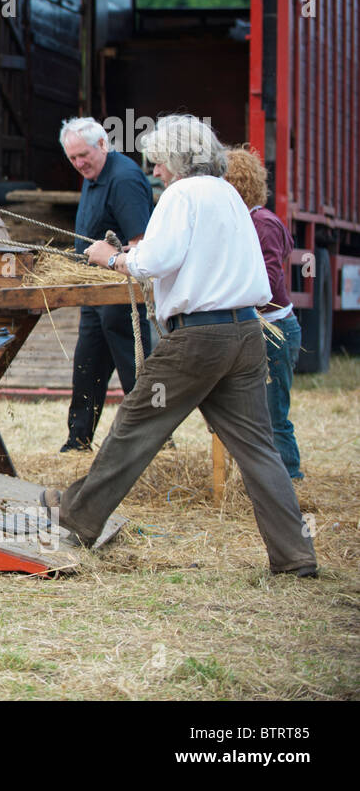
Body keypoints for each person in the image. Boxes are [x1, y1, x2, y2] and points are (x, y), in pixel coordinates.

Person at [42, 115, 317, 577]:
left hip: (198, 339)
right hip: (245, 336)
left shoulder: (182, 195)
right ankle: (296, 555)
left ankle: (75, 517)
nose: (156, 171)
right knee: (259, 450)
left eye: (159, 162)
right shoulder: (230, 195)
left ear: (177, 159)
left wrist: (112, 257)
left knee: (134, 425)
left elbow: (155, 260)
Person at [60, 117, 154, 452]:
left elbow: (141, 243)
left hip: (121, 293)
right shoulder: (93, 175)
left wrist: (112, 259)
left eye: (83, 155)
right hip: (95, 291)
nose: (79, 163)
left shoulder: (124, 179)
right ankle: (78, 441)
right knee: (87, 366)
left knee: (134, 370)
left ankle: (153, 440)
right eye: (72, 158)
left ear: (102, 144)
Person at [225, 146, 303, 481]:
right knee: (254, 410)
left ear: (235, 185)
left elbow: (267, 282)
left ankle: (290, 477)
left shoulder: (263, 223)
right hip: (256, 327)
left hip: (274, 328)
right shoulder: (246, 221)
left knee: (273, 412)